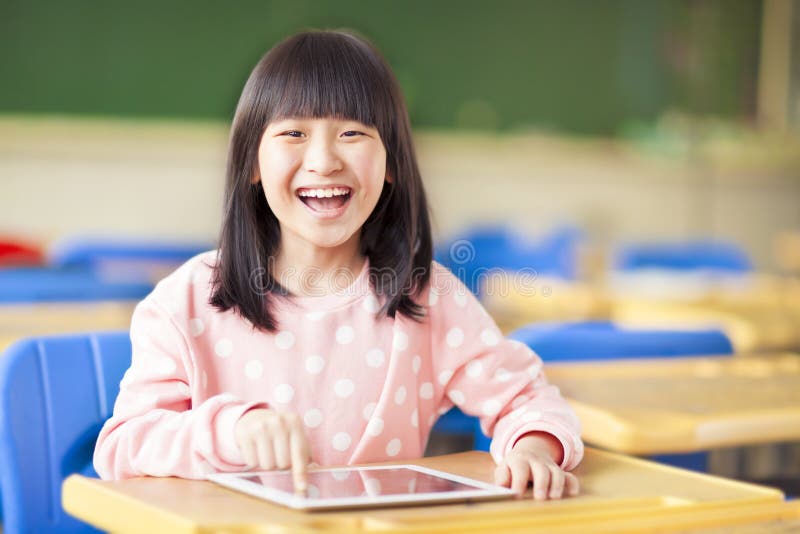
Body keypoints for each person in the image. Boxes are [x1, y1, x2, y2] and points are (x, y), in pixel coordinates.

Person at [93, 29, 583, 501]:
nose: (323, 160)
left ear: (391, 163)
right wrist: (230, 431)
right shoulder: (185, 303)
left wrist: (533, 449)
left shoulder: (428, 297)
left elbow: (528, 401)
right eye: (293, 133)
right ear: (252, 164)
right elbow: (122, 447)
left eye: (352, 132)